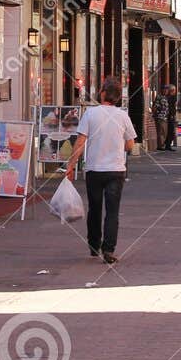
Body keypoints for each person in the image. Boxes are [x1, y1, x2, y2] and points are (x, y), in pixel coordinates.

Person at [65, 76, 138, 263]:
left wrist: (71, 165)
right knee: (113, 210)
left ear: (103, 93)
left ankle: (93, 244)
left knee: (95, 208)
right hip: (116, 170)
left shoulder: (91, 114)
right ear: (117, 98)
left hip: (94, 169)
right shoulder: (123, 116)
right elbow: (130, 145)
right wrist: (116, 143)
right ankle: (109, 249)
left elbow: (80, 142)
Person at [160, 83, 181, 150]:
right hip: (169, 116)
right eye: (174, 90)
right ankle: (167, 144)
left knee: (171, 131)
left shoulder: (171, 98)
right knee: (170, 131)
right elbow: (170, 108)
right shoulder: (169, 98)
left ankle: (168, 144)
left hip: (170, 116)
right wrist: (172, 115)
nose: (175, 92)